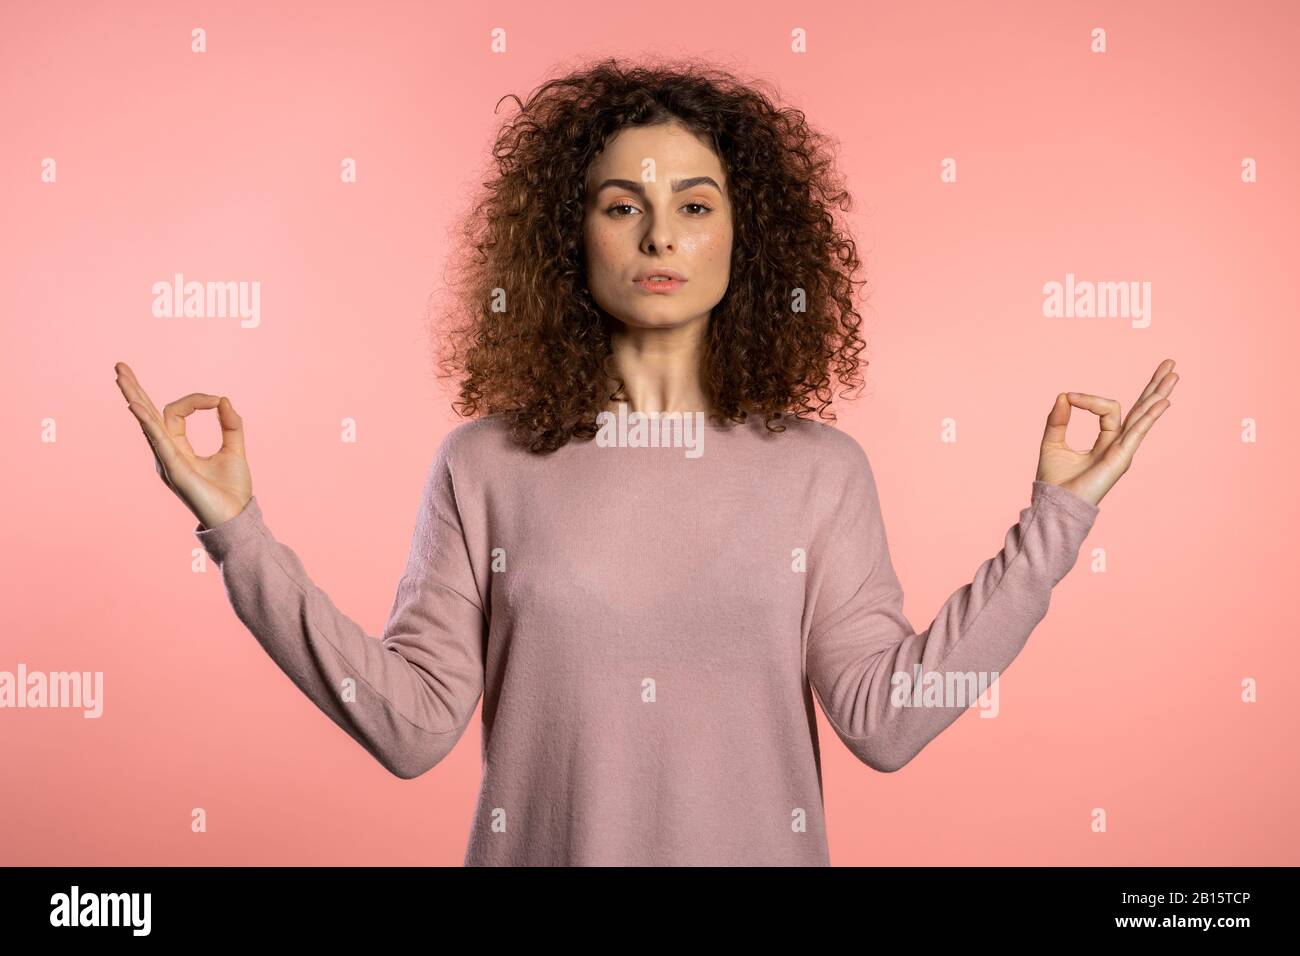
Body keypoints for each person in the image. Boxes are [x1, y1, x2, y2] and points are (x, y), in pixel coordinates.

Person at [114, 58, 1177, 866]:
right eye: (623, 204)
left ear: (741, 238)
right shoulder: (484, 464)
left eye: (694, 205)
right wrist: (238, 533)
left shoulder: (819, 471)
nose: (659, 236)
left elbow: (887, 720)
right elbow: (411, 726)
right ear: (569, 237)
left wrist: (1056, 521)